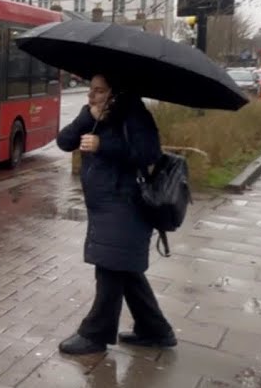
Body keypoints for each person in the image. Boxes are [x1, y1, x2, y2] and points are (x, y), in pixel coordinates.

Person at [55, 73, 176, 355]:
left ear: (115, 93)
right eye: (91, 90)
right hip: (106, 205)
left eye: (98, 91)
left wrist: (103, 145)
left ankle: (95, 335)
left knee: (109, 268)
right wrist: (88, 115)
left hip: (126, 204)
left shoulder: (134, 114)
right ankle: (155, 329)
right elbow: (64, 141)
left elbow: (149, 153)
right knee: (126, 269)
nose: (91, 96)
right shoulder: (94, 116)